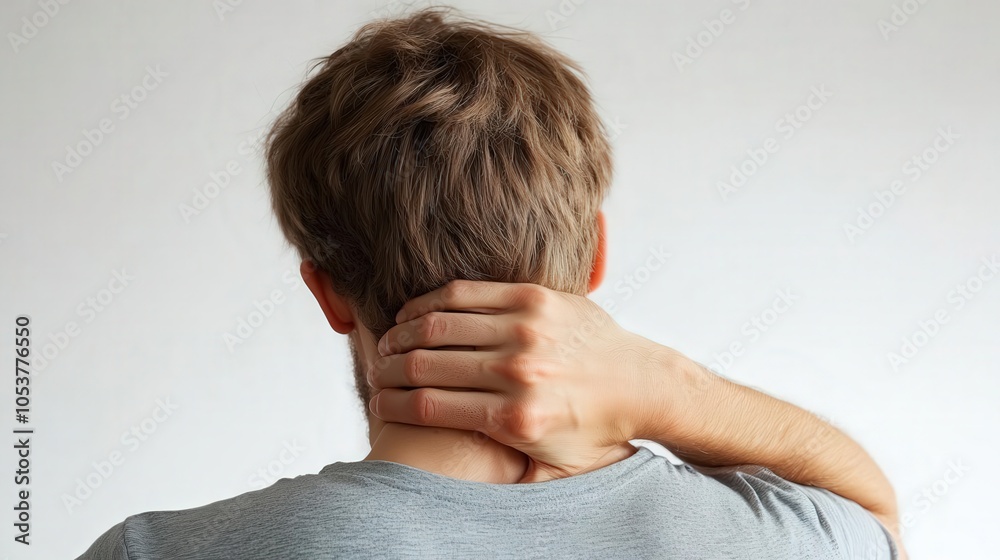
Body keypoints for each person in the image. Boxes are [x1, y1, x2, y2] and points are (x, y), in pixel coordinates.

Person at [79, 8, 903, 559]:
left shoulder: (152, 554)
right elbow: (879, 517)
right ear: (592, 261)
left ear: (326, 291)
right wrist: (667, 389)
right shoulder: (788, 539)